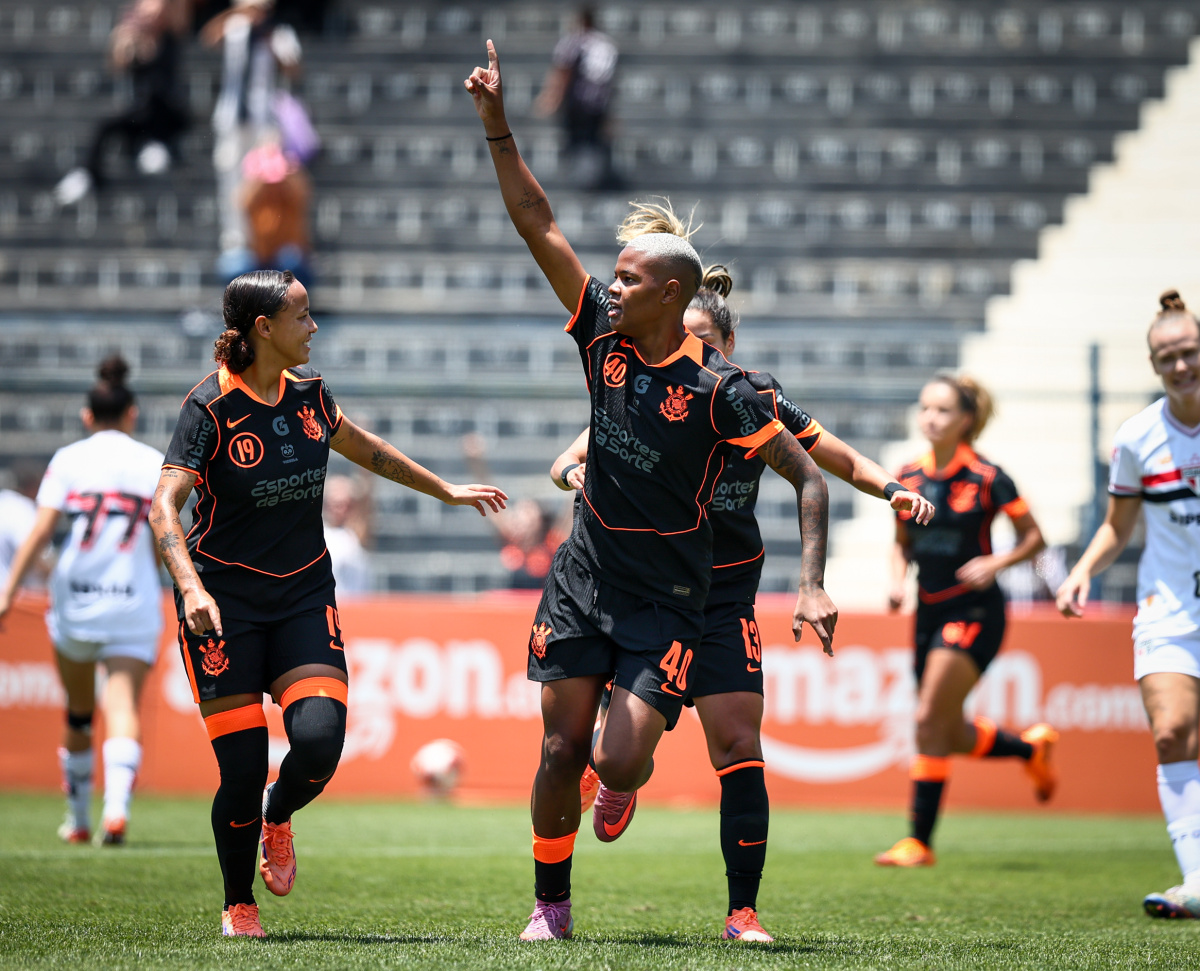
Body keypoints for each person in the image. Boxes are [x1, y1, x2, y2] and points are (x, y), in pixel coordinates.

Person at [466, 42, 837, 941]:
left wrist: (812, 583)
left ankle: (621, 787)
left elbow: (809, 475)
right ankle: (550, 904)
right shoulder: (602, 335)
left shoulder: (724, 393)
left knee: (620, 759)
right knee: (560, 745)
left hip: (671, 596)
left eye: (627, 278)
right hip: (585, 575)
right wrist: (498, 128)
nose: (611, 286)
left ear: (670, 295)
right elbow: (536, 224)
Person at [550, 233, 935, 941]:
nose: (692, 350)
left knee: (737, 744)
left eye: (705, 341)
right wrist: (569, 472)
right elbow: (576, 450)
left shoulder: (748, 397)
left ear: (728, 345)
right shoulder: (642, 373)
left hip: (723, 599)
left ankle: (742, 912)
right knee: (616, 751)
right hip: (652, 590)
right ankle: (618, 773)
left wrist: (891, 489)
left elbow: (830, 461)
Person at [150, 269, 506, 938]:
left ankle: (277, 814)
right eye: (302, 316)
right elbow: (163, 507)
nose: (313, 327)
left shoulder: (310, 392)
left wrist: (447, 490)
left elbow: (364, 447)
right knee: (241, 770)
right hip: (223, 606)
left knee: (317, 744)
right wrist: (191, 586)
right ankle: (239, 905)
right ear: (264, 329)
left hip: (304, 595)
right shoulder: (209, 407)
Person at [1057, 290, 1200, 919]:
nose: (1181, 365)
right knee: (1171, 733)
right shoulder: (1138, 437)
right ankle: (1196, 879)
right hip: (1170, 609)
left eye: (1190, 352)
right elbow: (1118, 526)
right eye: (1168, 357)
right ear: (1153, 364)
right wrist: (1081, 571)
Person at [874, 374, 1055, 868]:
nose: (931, 418)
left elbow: (1034, 538)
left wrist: (997, 563)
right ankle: (1029, 750)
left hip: (974, 609)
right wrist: (896, 581)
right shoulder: (907, 474)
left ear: (966, 420)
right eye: (925, 408)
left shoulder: (989, 477)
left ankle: (919, 842)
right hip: (928, 608)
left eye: (943, 410)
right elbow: (901, 543)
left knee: (928, 719)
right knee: (945, 731)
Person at [0, 357, 164, 847]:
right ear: (132, 413)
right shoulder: (152, 461)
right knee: (123, 703)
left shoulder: (69, 459)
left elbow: (41, 531)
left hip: (76, 598)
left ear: (87, 415)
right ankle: (116, 809)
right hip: (133, 596)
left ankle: (77, 820)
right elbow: (164, 537)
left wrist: (8, 592)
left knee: (78, 710)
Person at [53, 0, 191, 206]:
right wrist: (128, 38)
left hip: (168, 112)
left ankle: (157, 146)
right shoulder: (135, 40)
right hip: (140, 113)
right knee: (106, 126)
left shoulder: (170, 37)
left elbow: (180, 21)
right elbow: (117, 63)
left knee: (157, 107)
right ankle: (89, 174)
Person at [463, 433, 570, 589]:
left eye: (526, 514)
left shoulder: (552, 542)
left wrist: (579, 463)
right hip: (511, 603)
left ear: (539, 521)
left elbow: (570, 510)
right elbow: (489, 501)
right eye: (517, 514)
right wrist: (475, 462)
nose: (519, 520)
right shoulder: (511, 541)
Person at [533, 6, 620, 191]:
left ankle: (582, 184)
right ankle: (590, 182)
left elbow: (563, 71)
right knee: (592, 144)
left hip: (577, 104)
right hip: (598, 106)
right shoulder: (606, 45)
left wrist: (551, 98)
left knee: (578, 144)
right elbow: (608, 81)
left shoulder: (573, 42)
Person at [0, 459, 46, 589]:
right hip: (14, 594)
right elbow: (32, 551)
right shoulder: (21, 509)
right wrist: (54, 575)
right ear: (32, 485)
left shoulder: (4, 501)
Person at [322, 474, 371, 594]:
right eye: (335, 504)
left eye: (345, 504)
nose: (340, 509)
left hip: (356, 599)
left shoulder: (354, 534)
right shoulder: (319, 534)